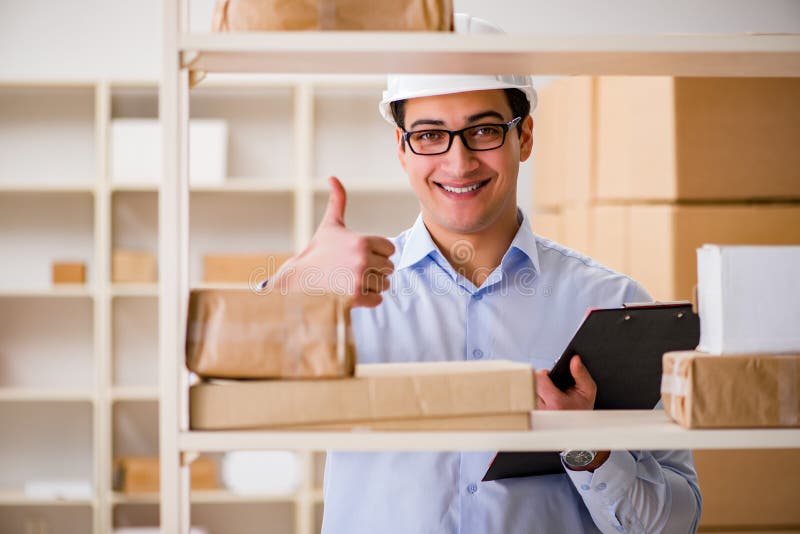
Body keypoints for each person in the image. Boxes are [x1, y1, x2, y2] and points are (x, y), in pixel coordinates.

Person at [269, 13, 701, 534]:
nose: (459, 162)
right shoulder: (339, 300)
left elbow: (678, 522)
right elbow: (199, 408)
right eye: (430, 134)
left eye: (484, 130)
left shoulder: (614, 304)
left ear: (525, 137)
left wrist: (589, 448)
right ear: (402, 149)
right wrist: (289, 291)